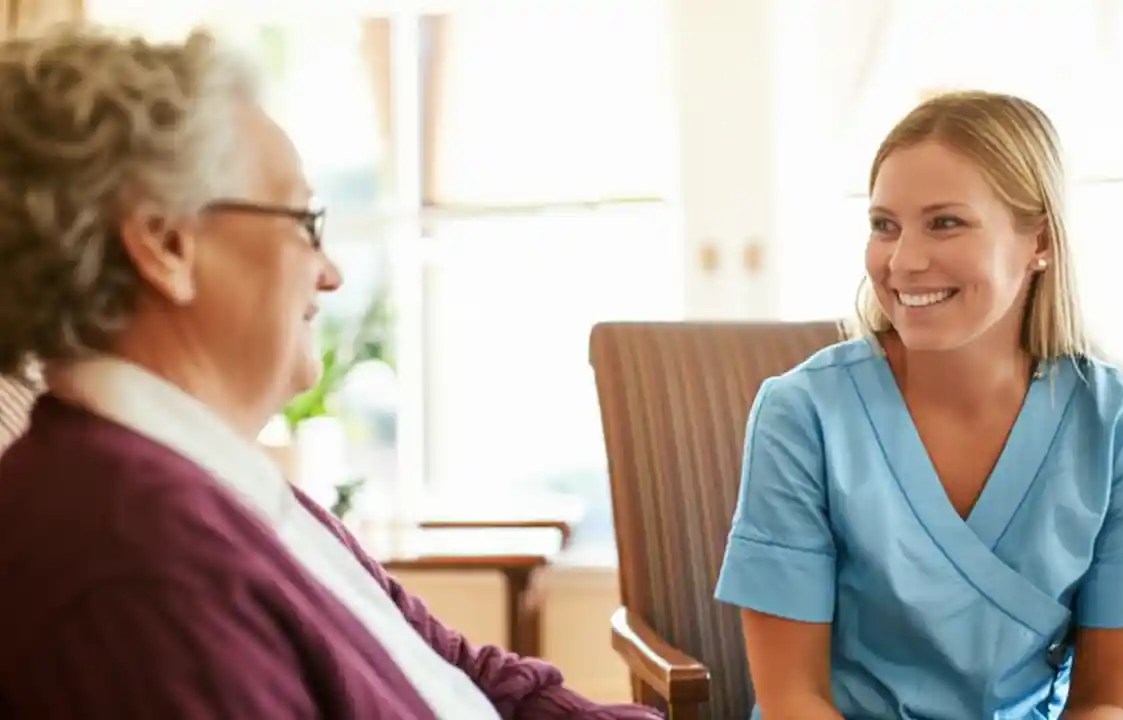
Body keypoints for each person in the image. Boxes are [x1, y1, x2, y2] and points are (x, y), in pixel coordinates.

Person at [0, 26, 659, 720]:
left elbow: (462, 676)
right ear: (167, 244)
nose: (332, 273)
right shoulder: (130, 563)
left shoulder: (224, 489)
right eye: (305, 220)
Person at [714, 91, 1123, 719]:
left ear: (1040, 242)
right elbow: (792, 700)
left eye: (945, 222)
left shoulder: (1122, 425)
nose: (903, 261)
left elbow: (1110, 703)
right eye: (884, 224)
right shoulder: (801, 414)